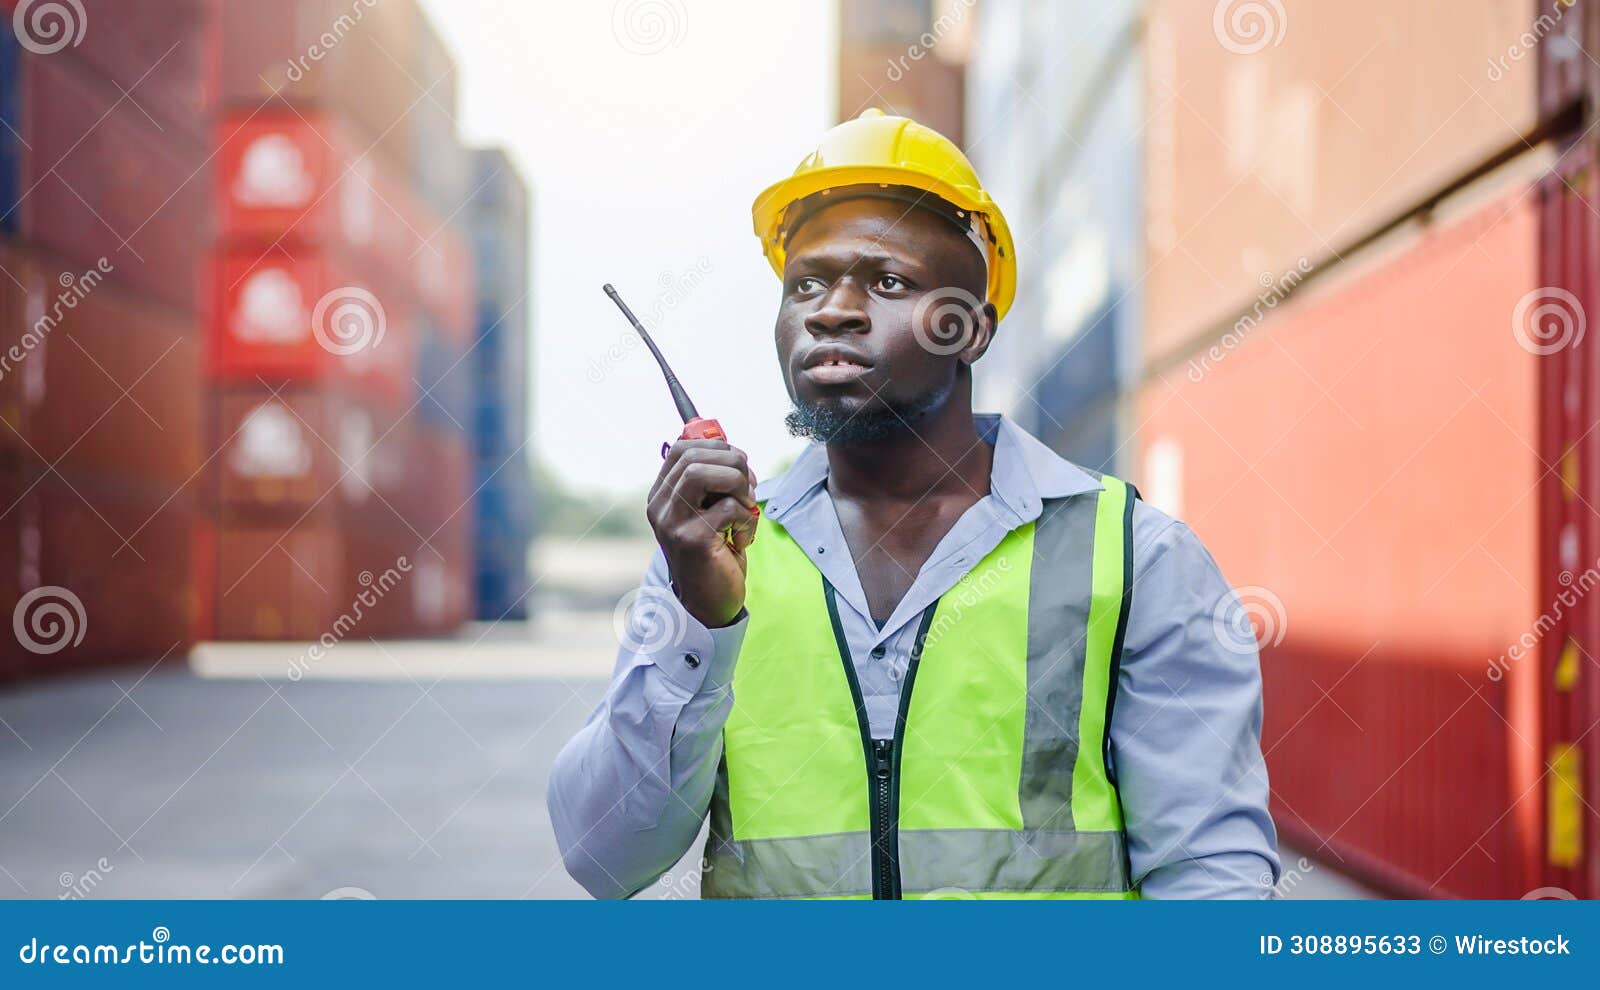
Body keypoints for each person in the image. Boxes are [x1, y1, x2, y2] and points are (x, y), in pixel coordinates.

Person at [548, 109, 1280, 899]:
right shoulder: (714, 557)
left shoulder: (1137, 557)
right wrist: (701, 626)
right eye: (808, 283)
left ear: (971, 329)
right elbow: (604, 857)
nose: (833, 309)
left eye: (888, 281)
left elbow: (1213, 882)